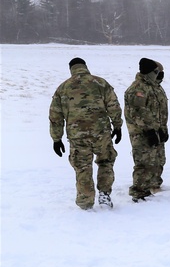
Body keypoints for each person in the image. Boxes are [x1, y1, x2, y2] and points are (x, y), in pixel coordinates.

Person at [49, 57, 123, 209]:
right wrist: (117, 126)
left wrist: (57, 138)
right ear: (85, 67)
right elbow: (113, 106)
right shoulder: (101, 83)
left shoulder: (63, 88)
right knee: (105, 161)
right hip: (101, 133)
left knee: (82, 166)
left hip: (77, 136)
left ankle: (85, 201)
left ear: (71, 69)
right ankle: (104, 194)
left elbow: (55, 116)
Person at [123, 57, 164, 202]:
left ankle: (146, 187)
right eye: (156, 72)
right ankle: (138, 192)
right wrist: (150, 130)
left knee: (152, 161)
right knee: (143, 162)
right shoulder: (137, 89)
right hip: (140, 133)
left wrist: (161, 129)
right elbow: (138, 112)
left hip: (152, 130)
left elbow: (156, 111)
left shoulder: (150, 87)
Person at [149, 62, 169, 192]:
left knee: (160, 158)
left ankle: (156, 181)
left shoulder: (158, 88)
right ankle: (148, 183)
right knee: (149, 158)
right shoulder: (146, 88)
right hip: (148, 130)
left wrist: (163, 129)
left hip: (160, 128)